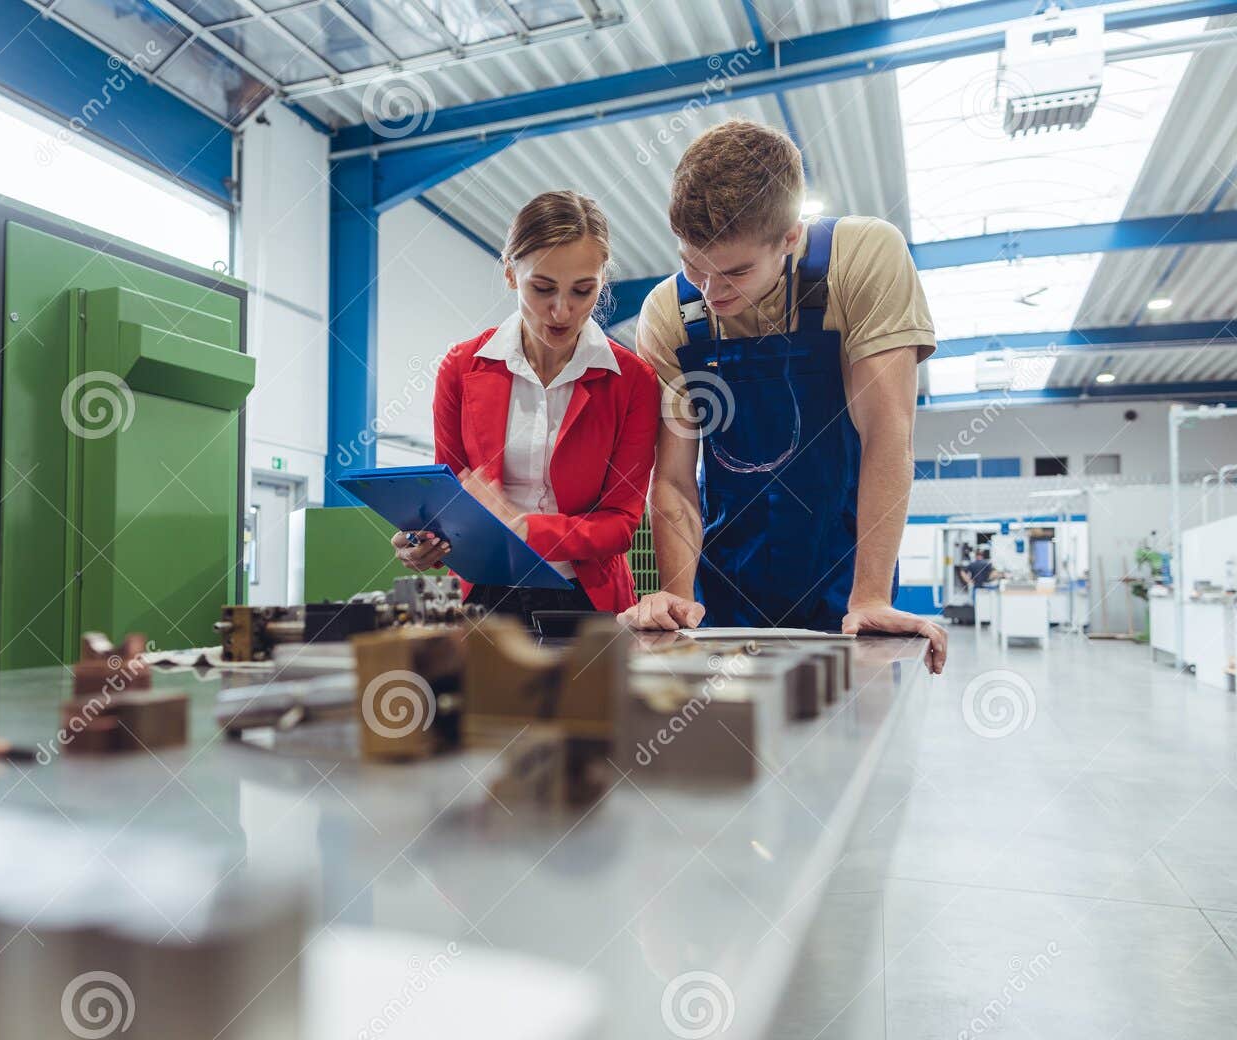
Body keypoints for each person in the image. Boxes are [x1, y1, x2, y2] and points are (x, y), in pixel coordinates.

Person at [620, 119, 947, 673]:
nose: (711, 292)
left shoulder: (862, 259)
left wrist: (870, 595)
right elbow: (673, 478)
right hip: (726, 584)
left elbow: (888, 438)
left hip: (846, 578)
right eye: (693, 266)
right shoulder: (668, 312)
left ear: (791, 237)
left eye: (735, 272)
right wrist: (676, 596)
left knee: (846, 722)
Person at [391, 191, 660, 622]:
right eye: (542, 288)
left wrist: (527, 529)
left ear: (602, 281)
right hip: (485, 598)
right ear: (510, 274)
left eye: (583, 290)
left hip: (589, 601)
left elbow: (621, 523)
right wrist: (421, 541)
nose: (562, 311)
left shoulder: (633, 382)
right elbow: (450, 496)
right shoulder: (460, 368)